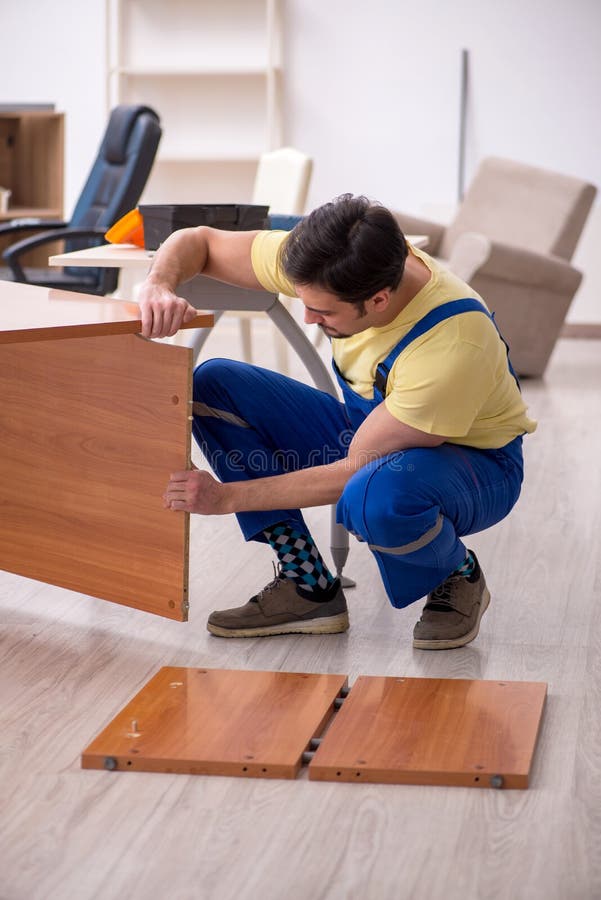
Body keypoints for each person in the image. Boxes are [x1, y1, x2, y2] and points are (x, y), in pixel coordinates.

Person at [137, 194, 536, 650]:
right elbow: (198, 241)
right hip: (373, 430)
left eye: (323, 313)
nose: (307, 316)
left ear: (379, 299)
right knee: (213, 386)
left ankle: (458, 572)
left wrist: (226, 497)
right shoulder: (335, 262)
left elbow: (354, 470)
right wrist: (158, 285)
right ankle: (306, 584)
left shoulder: (452, 346)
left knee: (376, 495)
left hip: (476, 466)